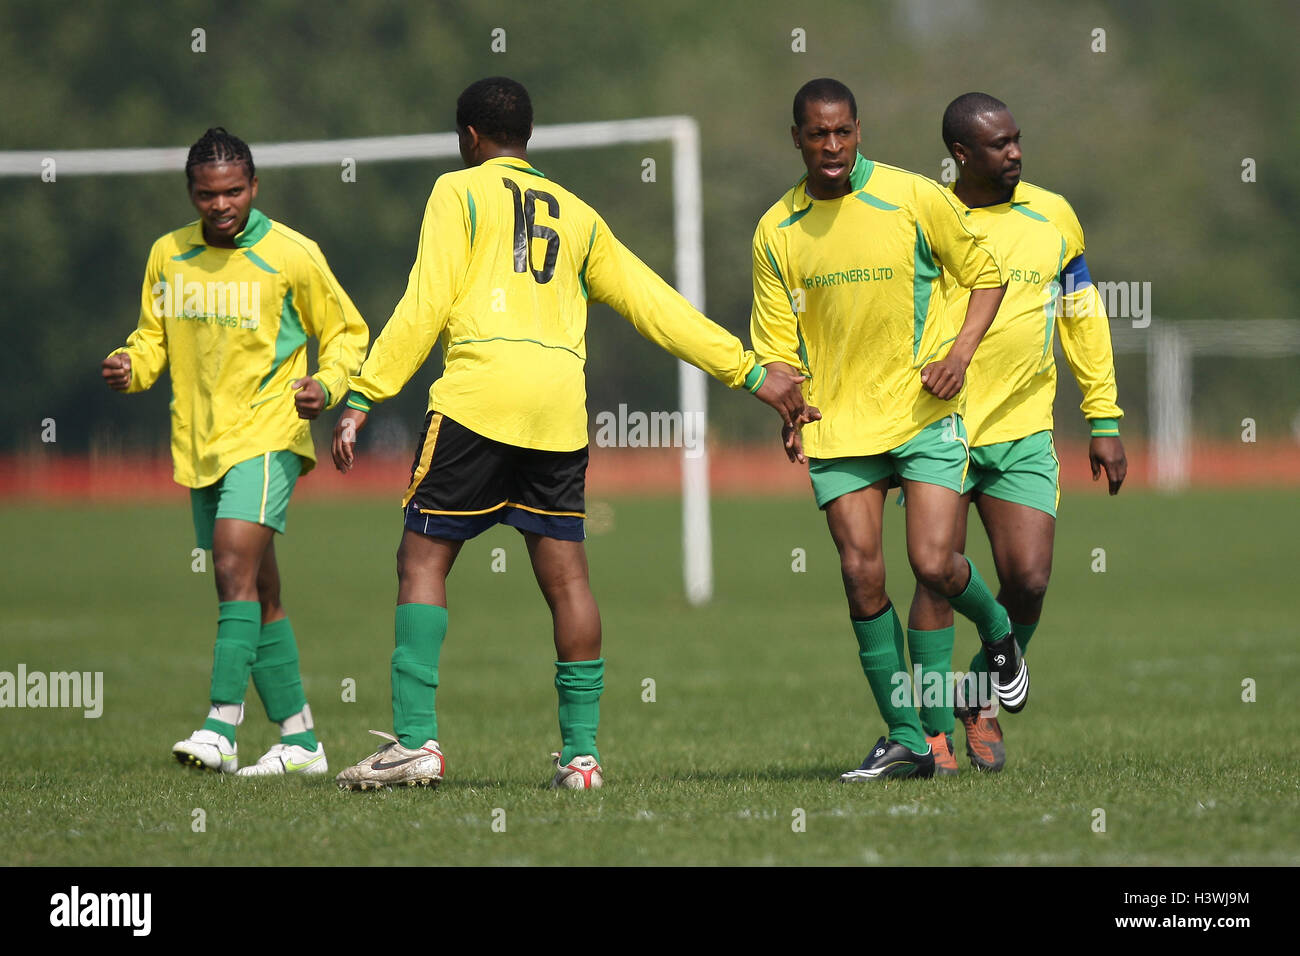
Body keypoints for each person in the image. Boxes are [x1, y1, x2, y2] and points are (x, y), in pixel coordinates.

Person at [330, 77, 810, 791]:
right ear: (530, 136)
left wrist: (367, 391)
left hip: (477, 400)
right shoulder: (579, 214)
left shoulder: (454, 193)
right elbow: (656, 305)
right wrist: (750, 373)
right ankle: (581, 758)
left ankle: (416, 746)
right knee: (568, 581)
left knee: (421, 561)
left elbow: (425, 301)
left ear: (469, 139)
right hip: (557, 411)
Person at [757, 78, 1016, 782]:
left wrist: (958, 356)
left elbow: (986, 276)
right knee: (859, 573)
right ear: (797, 139)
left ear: (860, 130)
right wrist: (790, 410)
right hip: (839, 426)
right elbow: (779, 346)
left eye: (843, 132)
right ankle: (915, 736)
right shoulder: (775, 230)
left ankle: (996, 631)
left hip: (921, 411)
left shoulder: (911, 197)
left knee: (934, 565)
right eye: (818, 134)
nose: (833, 146)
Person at [101, 127, 370, 777]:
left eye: (232, 191)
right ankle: (302, 743)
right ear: (191, 193)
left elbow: (347, 333)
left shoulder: (291, 254)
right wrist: (129, 365)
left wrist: (327, 386)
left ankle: (221, 725)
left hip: (269, 436)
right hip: (200, 444)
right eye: (206, 194)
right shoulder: (169, 255)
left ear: (254, 187)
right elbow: (152, 340)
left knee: (229, 565)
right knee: (260, 590)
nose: (220, 205)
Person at [905, 92, 1126, 773]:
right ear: (960, 156)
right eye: (999, 145)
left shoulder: (1054, 214)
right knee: (935, 573)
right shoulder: (922, 217)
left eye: (1018, 139)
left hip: (1025, 428)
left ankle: (978, 694)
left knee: (1028, 578)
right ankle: (935, 729)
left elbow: (1082, 314)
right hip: (937, 425)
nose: (1016, 154)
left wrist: (1105, 416)